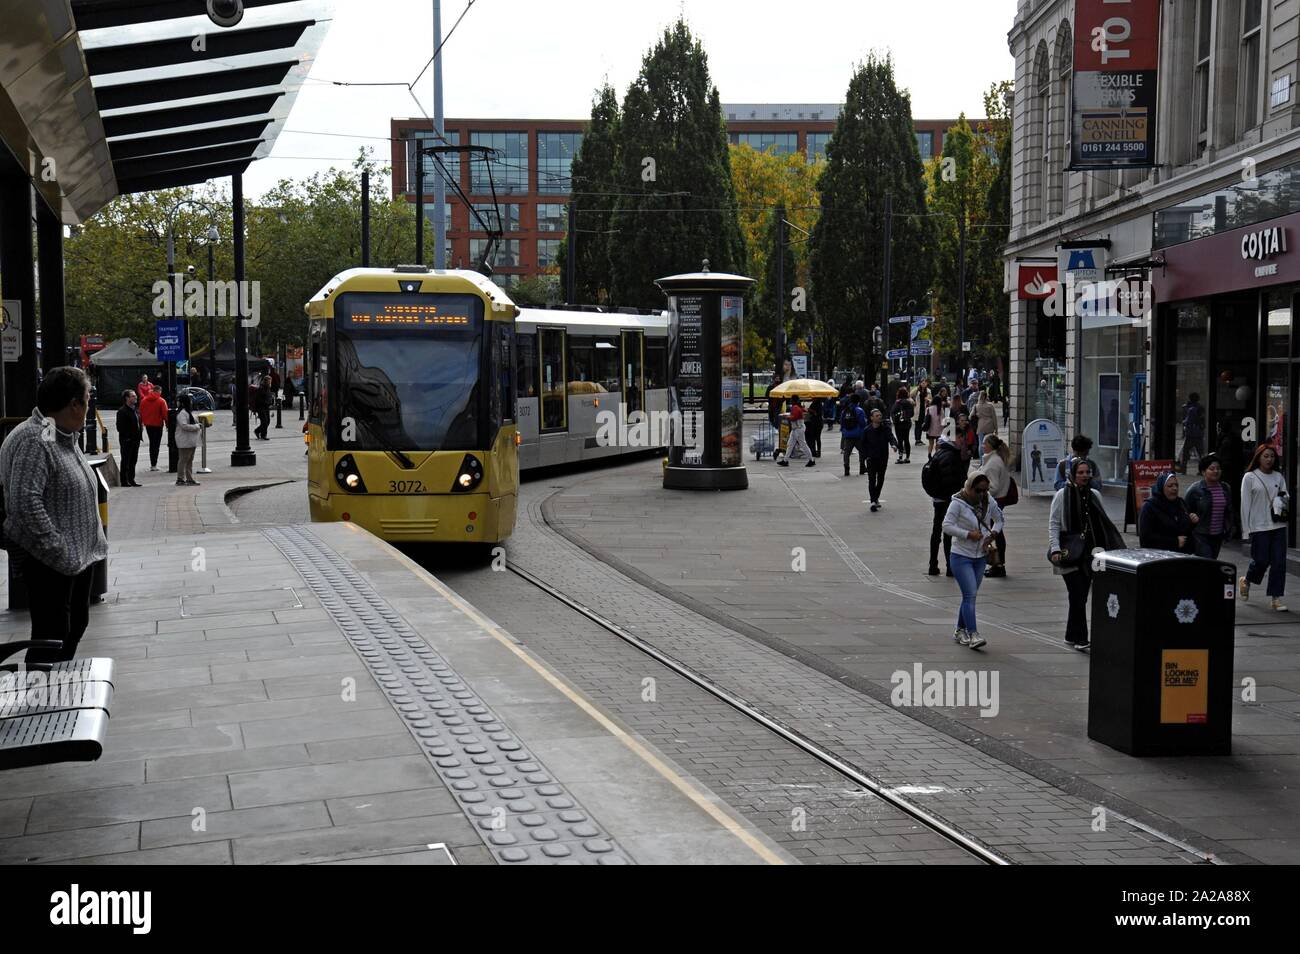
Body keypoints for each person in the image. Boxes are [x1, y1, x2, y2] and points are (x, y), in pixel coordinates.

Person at [0, 367, 109, 664]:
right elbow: (25, 502)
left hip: (74, 557)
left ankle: (54, 693)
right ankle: (41, 699)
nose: (88, 406)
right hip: (52, 561)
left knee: (71, 627)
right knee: (52, 634)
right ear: (73, 404)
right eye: (87, 399)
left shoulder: (58, 434)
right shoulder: (35, 440)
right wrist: (57, 549)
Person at [1049, 458, 1125, 650]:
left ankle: (1071, 635)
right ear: (1073, 475)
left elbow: (1103, 522)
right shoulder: (1061, 495)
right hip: (1071, 551)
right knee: (1078, 593)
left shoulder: (1094, 495)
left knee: (1081, 596)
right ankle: (1081, 639)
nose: (1084, 476)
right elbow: (1054, 524)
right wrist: (1055, 548)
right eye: (1080, 472)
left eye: (1087, 472)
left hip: (1094, 552)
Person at [943, 472, 1004, 649]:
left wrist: (993, 533)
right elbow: (946, 526)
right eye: (978, 490)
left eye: (985, 490)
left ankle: (959, 629)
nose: (982, 494)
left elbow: (999, 520)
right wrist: (968, 534)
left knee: (970, 596)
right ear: (969, 487)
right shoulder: (958, 503)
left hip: (981, 556)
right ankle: (973, 634)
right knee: (970, 594)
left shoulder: (988, 501)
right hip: (960, 555)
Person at [1240, 444, 1290, 611]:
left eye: (1272, 456)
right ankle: (1246, 580)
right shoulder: (1250, 477)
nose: (1269, 459)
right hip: (1259, 526)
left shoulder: (1278, 476)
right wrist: (1245, 529)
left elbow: (1285, 496)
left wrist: (1283, 498)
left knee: (1279, 563)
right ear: (1258, 457)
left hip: (1278, 525)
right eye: (1266, 456)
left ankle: (1276, 598)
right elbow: (1245, 504)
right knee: (1261, 560)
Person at [924, 436, 967, 576]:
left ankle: (933, 565)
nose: (962, 441)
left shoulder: (940, 453)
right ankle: (949, 567)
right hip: (946, 499)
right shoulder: (951, 456)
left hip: (938, 498)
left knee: (936, 531)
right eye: (960, 439)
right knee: (947, 533)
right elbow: (951, 480)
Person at [1185, 454, 1237, 559]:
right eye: (1212, 469)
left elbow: (1229, 510)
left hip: (1218, 535)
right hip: (1200, 535)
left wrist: (1230, 528)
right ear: (1204, 472)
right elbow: (1185, 510)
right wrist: (1191, 517)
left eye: (1218, 468)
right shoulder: (1195, 490)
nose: (1216, 471)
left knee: (1212, 561)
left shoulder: (1225, 488)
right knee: (1207, 561)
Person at [974, 434, 1012, 577]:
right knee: (997, 532)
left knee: (996, 532)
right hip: (996, 501)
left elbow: (994, 487)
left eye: (984, 443)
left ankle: (999, 564)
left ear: (990, 445)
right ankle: (998, 563)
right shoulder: (993, 460)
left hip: (993, 502)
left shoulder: (993, 463)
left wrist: (977, 489)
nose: (982, 446)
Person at [1138, 472, 1194, 553]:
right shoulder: (1150, 507)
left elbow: (1186, 530)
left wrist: (1192, 521)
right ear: (1161, 488)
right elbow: (1146, 539)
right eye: (1170, 486)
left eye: (1176, 485)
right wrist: (1174, 542)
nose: (1174, 488)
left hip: (1182, 555)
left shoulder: (1180, 503)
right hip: (1160, 557)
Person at [861, 407, 898, 510]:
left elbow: (891, 438)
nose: (879, 417)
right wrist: (865, 457)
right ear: (871, 418)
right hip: (871, 458)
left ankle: (876, 497)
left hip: (882, 457)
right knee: (872, 479)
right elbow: (862, 445)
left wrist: (894, 445)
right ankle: (873, 500)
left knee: (880, 479)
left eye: (880, 415)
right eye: (877, 416)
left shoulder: (885, 429)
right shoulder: (867, 430)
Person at [115, 389, 142, 487]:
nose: (136, 397)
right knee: (126, 461)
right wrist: (128, 438)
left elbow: (138, 422)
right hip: (127, 440)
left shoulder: (135, 409)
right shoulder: (122, 411)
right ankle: (124, 481)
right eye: (133, 396)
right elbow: (120, 427)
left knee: (133, 461)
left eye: (135, 396)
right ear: (127, 398)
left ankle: (132, 479)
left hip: (136, 440)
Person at [139, 382, 169, 471]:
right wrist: (167, 425)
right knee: (156, 445)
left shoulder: (144, 400)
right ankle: (154, 464)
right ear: (159, 391)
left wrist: (142, 423)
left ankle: (153, 464)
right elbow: (165, 415)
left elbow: (140, 413)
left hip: (148, 425)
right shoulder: (161, 401)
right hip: (158, 425)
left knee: (152, 444)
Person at [174, 393, 202, 486]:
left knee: (189, 460)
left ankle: (189, 478)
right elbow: (184, 426)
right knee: (183, 460)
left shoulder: (189, 412)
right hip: (184, 440)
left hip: (191, 440)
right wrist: (197, 426)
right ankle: (180, 479)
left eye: (178, 401)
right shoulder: (182, 413)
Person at [778, 396, 814, 468]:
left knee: (802, 444)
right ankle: (785, 460)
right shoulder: (797, 407)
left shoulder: (795, 408)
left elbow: (794, 417)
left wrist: (787, 417)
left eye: (791, 400)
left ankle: (811, 460)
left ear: (793, 401)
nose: (790, 401)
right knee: (790, 444)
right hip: (796, 429)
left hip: (798, 429)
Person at [839, 395, 867, 477]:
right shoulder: (859, 410)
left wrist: (844, 431)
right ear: (858, 401)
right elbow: (863, 423)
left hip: (847, 434)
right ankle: (862, 467)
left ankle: (846, 469)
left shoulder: (845, 411)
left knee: (847, 452)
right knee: (862, 451)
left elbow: (842, 422)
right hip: (858, 434)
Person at [1178, 392, 1206, 474]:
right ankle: (1202, 470)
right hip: (1198, 434)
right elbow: (1203, 421)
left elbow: (1187, 421)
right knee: (1200, 453)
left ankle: (1183, 469)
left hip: (1190, 433)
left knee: (1186, 453)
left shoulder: (1188, 408)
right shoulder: (1200, 408)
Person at [890, 387, 914, 464]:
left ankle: (900, 457)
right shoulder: (908, 403)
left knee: (900, 440)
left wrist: (895, 421)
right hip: (907, 423)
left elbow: (892, 412)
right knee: (906, 440)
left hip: (899, 424)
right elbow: (912, 413)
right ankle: (907, 457)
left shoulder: (897, 403)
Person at [972, 390, 998, 459]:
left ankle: (982, 460)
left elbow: (970, 416)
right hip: (989, 426)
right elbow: (994, 417)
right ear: (986, 397)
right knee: (990, 444)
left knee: (981, 444)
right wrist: (996, 428)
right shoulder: (990, 405)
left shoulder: (976, 406)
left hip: (981, 426)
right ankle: (989, 458)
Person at [925, 393, 945, 459]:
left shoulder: (928, 409)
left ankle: (929, 454)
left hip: (930, 429)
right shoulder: (940, 409)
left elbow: (926, 418)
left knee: (931, 443)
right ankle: (936, 455)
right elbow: (942, 420)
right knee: (938, 443)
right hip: (938, 430)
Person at [254, 376, 273, 440]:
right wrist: (266, 402)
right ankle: (261, 433)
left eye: (270, 380)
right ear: (266, 381)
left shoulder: (268, 388)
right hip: (261, 408)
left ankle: (260, 433)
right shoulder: (261, 388)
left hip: (266, 407)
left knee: (267, 421)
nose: (270, 382)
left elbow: (268, 396)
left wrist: (270, 402)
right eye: (269, 380)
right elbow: (258, 399)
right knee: (264, 421)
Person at [912, 379, 930, 446]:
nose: (923, 384)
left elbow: (931, 399)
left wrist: (928, 400)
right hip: (918, 409)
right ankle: (917, 440)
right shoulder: (916, 390)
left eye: (925, 383)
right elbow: (910, 395)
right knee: (917, 425)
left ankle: (919, 439)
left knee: (921, 424)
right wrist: (913, 401)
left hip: (924, 409)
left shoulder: (928, 391)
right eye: (922, 383)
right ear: (920, 383)